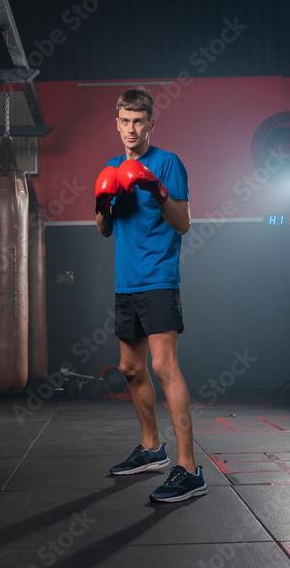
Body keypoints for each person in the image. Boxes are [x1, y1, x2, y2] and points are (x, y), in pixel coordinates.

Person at [94, 86, 207, 503]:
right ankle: (151, 448)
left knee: (163, 366)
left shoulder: (167, 162)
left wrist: (157, 190)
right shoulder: (110, 166)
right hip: (126, 282)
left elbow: (184, 223)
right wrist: (105, 204)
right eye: (124, 121)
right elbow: (105, 230)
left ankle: (190, 469)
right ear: (117, 122)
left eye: (138, 121)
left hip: (159, 278)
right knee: (130, 368)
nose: (130, 129)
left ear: (150, 124)